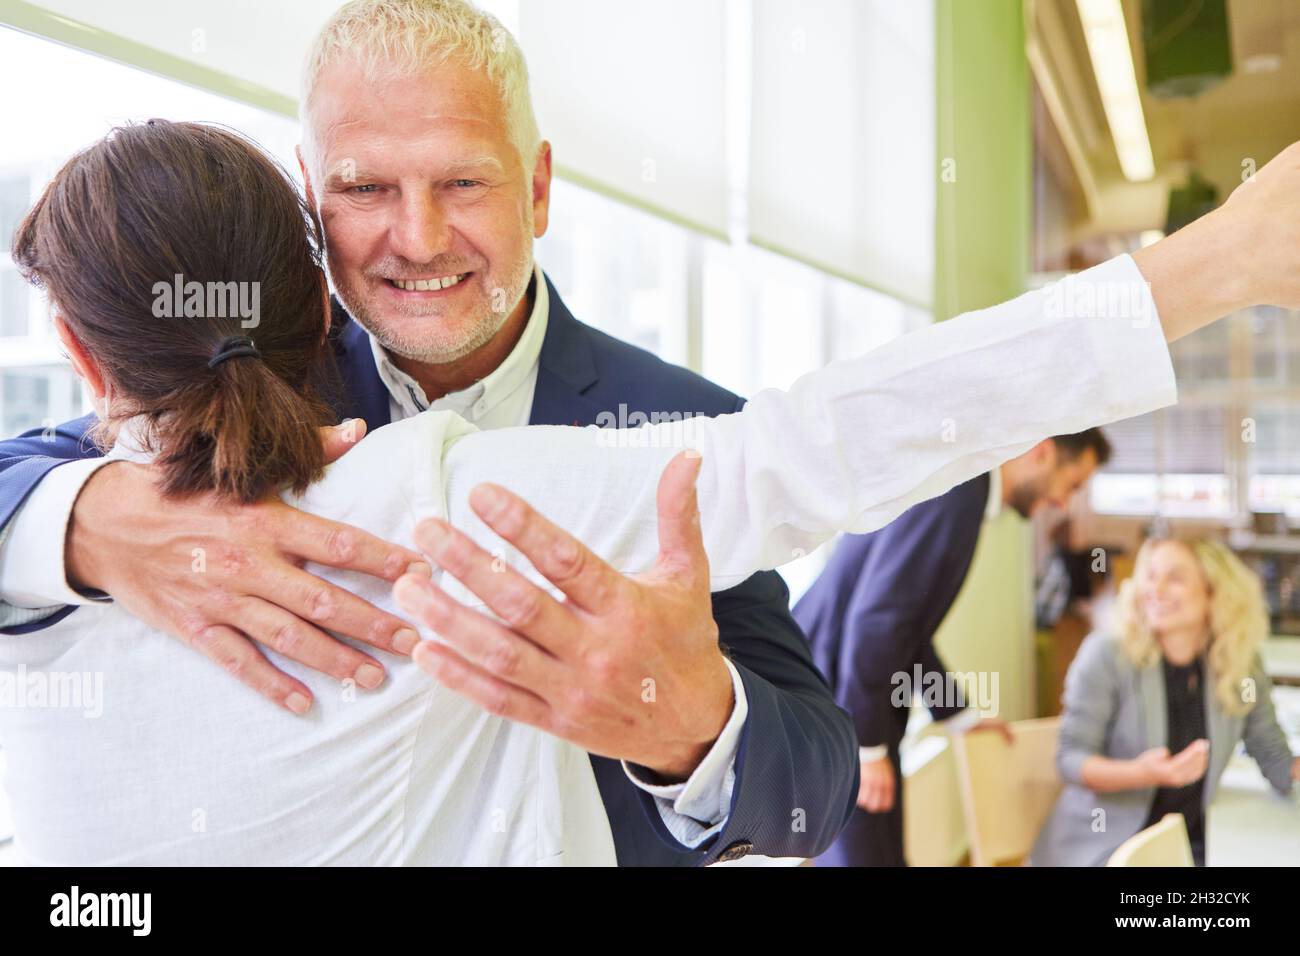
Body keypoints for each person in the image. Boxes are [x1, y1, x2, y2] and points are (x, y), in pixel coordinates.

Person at [2, 0, 1300, 866]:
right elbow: (849, 434)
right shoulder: (139, 505)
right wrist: (76, 527)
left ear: (544, 187)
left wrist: (701, 730)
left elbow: (811, 777)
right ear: (304, 208)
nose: (417, 235)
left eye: (462, 181)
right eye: (364, 191)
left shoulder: (670, 424)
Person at [794, 430, 1111, 866]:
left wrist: (960, 717)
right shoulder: (959, 492)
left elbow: (907, 631)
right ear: (1043, 452)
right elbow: (876, 626)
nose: (1063, 502)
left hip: (841, 707)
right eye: (1071, 484)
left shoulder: (961, 488)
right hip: (835, 711)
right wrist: (864, 749)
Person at [1030, 538, 1300, 866]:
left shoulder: (1240, 664)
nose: (1155, 589)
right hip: (1105, 846)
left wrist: (1290, 770)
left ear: (1214, 591)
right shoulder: (1106, 655)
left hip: (1187, 847)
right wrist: (1142, 773)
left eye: (1174, 577)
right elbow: (1071, 759)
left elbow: (1272, 754)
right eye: (1150, 575)